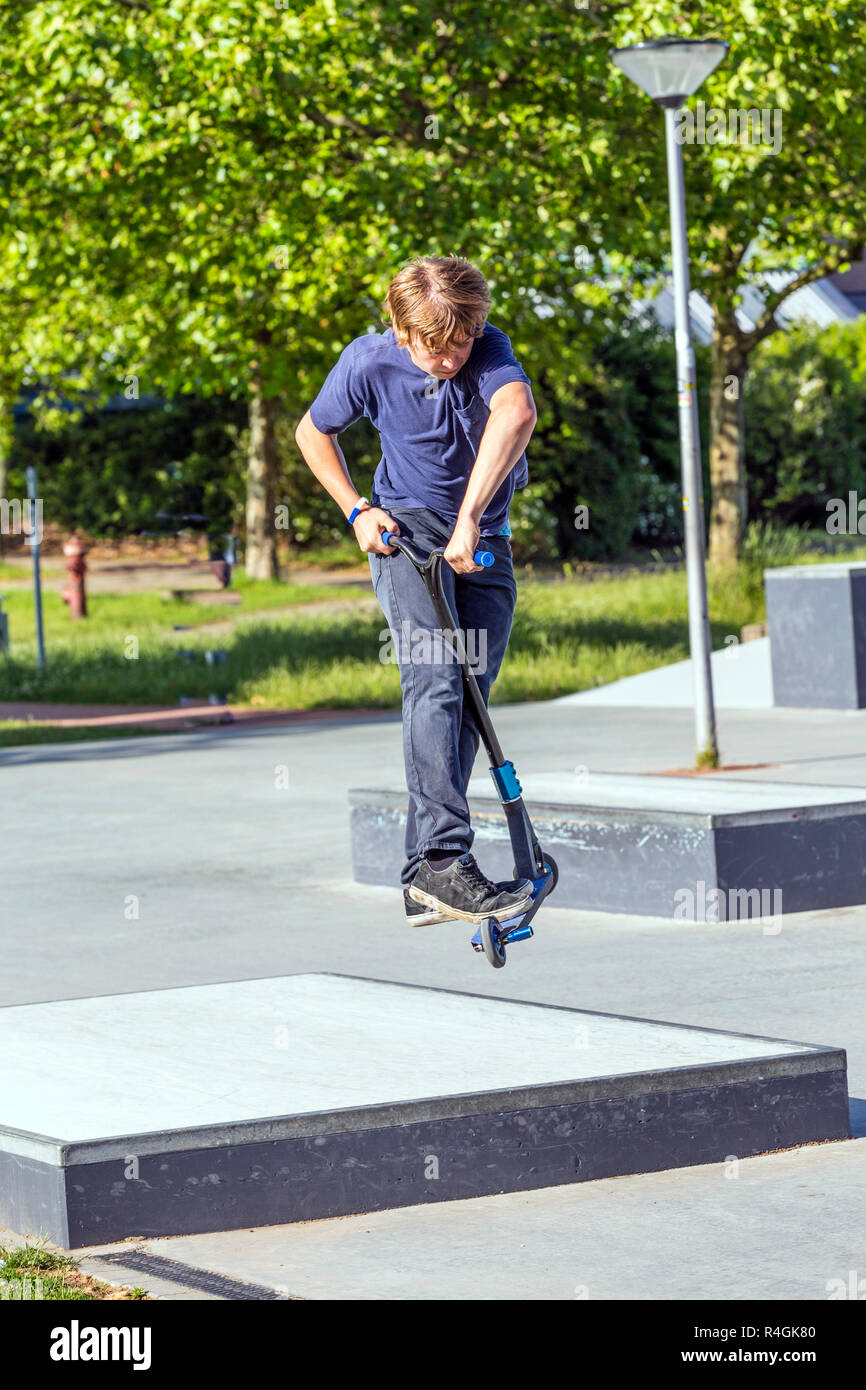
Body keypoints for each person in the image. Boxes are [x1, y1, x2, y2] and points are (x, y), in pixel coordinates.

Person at [295, 254, 537, 927]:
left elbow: (516, 414)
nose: (455, 355)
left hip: (482, 541)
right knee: (434, 679)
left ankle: (424, 876)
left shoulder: (487, 347)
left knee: (470, 697)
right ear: (402, 332)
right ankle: (441, 863)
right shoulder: (368, 361)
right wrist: (354, 509)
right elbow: (312, 432)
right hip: (406, 536)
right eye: (437, 344)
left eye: (465, 338)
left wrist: (471, 520)